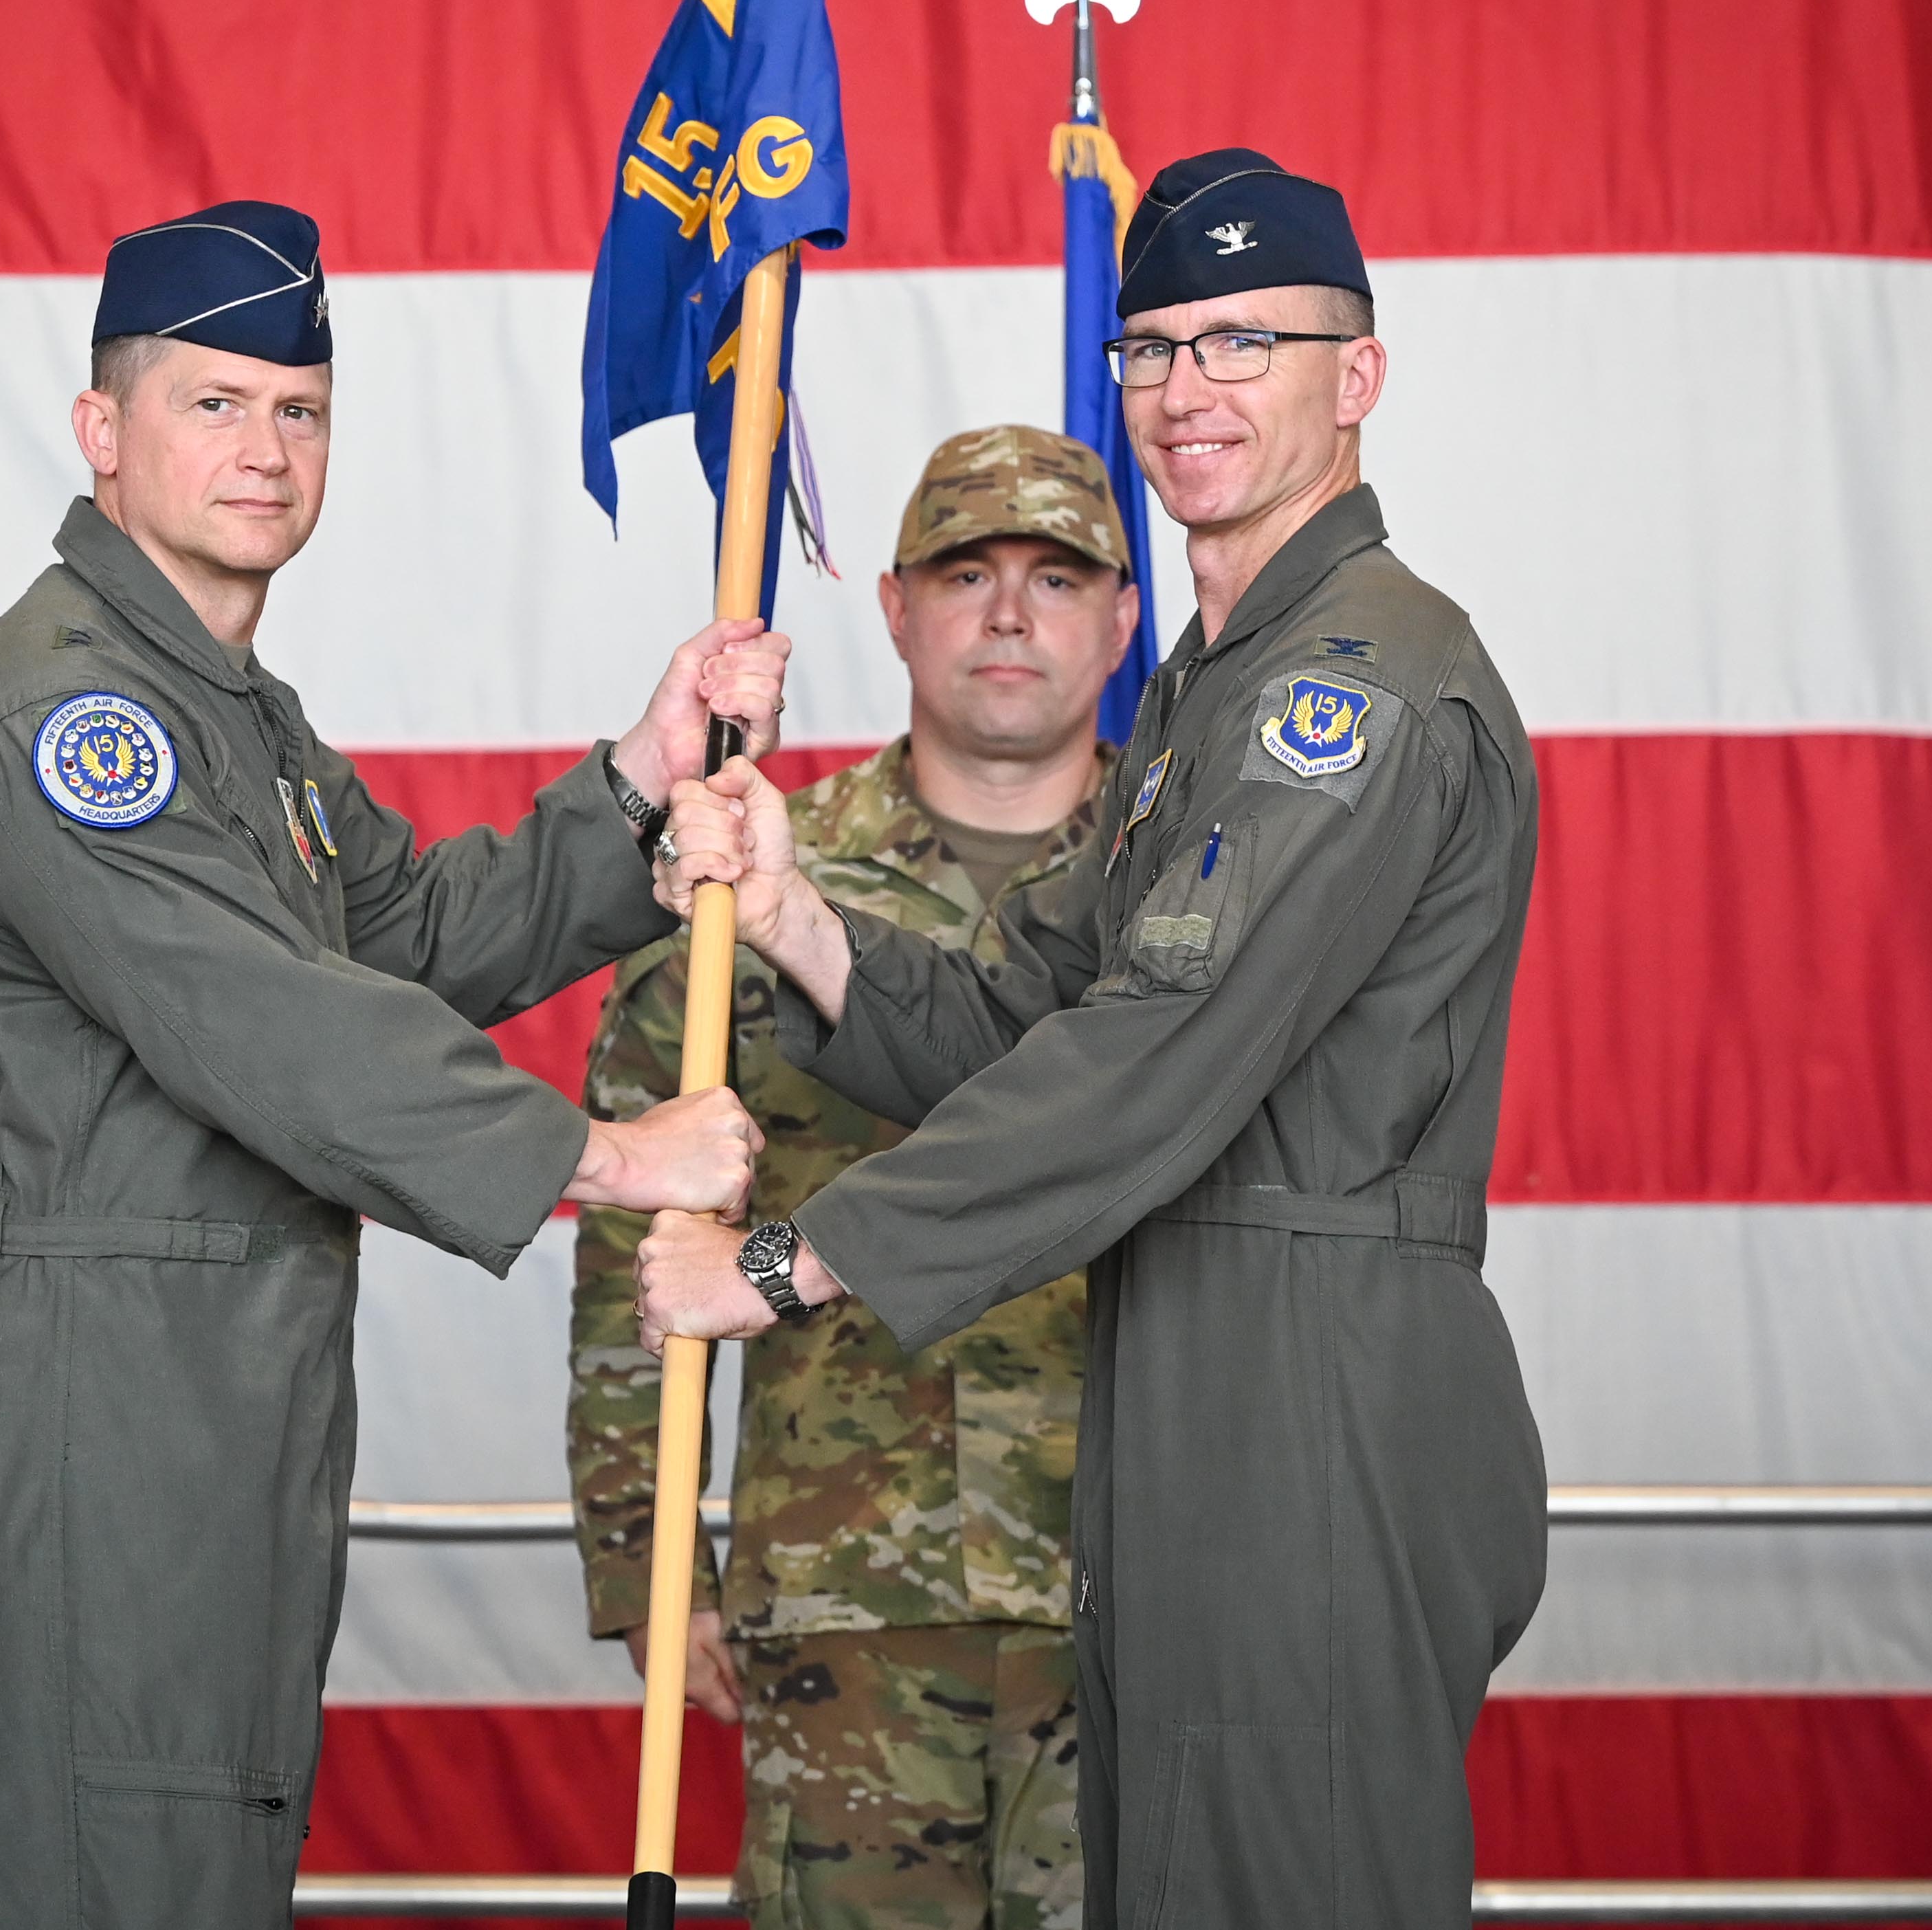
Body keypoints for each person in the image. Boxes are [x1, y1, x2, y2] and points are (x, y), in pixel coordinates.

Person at [636, 151, 1549, 1929]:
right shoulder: (1205, 694)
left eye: (1240, 343)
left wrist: (790, 1259)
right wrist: (800, 910)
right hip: (1188, 1384)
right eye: (1149, 350)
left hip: (1309, 1399)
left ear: (1349, 379)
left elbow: (1153, 1053)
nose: (1184, 392)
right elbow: (1012, 1011)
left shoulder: (1345, 686)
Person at [0, 199, 784, 1929]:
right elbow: (271, 1024)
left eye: (299, 408)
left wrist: (641, 780)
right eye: (211, 402)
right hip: (99, 1424)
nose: (265, 448)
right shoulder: (72, 720)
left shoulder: (232, 713)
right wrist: (609, 1157)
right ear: (100, 430)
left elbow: (409, 935)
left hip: (211, 1416)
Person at [569, 425, 1140, 1930]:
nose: (1009, 614)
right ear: (892, 607)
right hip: (844, 1590)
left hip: (1141, 1583)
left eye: (1056, 575)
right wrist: (648, 1563)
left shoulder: (1195, 886)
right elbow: (638, 1229)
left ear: (1124, 617)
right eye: (966, 572)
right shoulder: (755, 877)